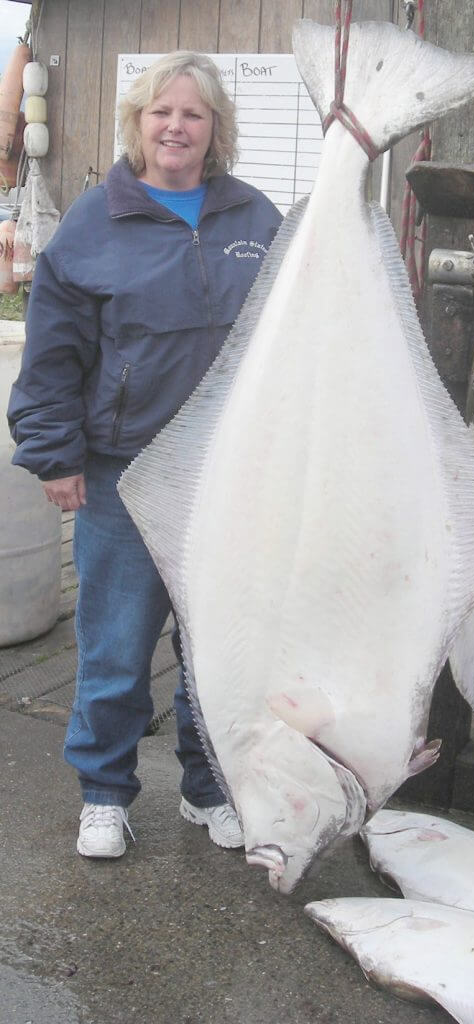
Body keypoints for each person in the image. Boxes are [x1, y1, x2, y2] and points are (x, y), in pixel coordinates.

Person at [7, 52, 283, 859]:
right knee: (116, 643)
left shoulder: (257, 220)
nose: (176, 127)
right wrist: (54, 455)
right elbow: (51, 357)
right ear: (138, 123)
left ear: (215, 130)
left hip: (230, 480)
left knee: (218, 649)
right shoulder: (94, 223)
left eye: (193, 115)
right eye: (162, 112)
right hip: (122, 475)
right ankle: (104, 792)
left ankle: (209, 787)